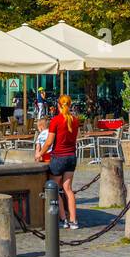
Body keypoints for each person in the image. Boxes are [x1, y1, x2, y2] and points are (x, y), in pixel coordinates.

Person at [40, 93, 81, 229]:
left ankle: (63, 219)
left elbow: (49, 142)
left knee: (54, 189)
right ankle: (74, 220)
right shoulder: (75, 120)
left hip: (58, 157)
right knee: (68, 189)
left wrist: (40, 153)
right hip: (71, 157)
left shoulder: (56, 121)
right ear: (69, 105)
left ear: (58, 105)